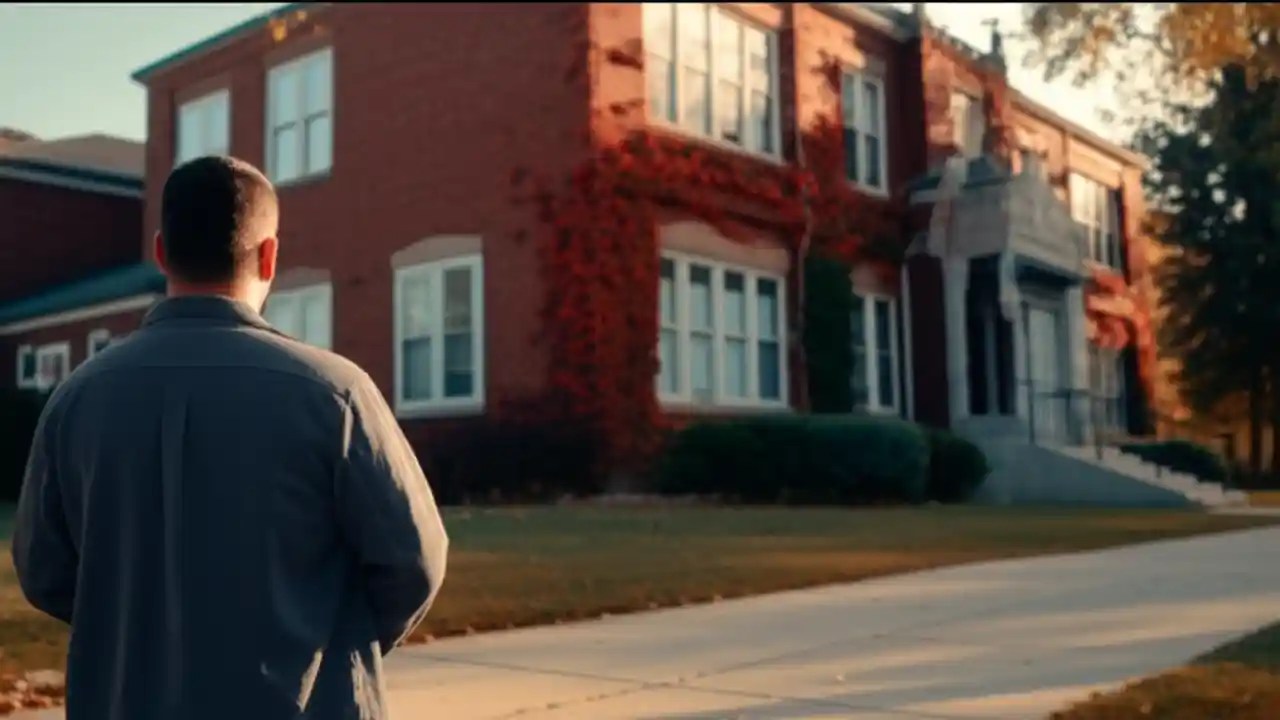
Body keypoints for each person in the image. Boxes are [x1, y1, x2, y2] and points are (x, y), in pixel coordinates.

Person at [11, 156, 449, 720]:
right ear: (269, 254)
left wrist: (141, 634)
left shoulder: (76, 399)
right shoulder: (334, 395)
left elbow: (44, 569)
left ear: (162, 251)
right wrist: (329, 637)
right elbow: (415, 559)